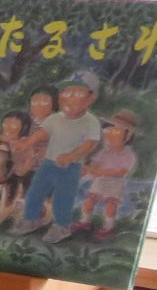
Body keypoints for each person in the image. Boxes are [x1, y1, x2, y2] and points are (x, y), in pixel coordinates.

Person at [17, 70, 101, 243]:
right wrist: (27, 143)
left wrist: (72, 156)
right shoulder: (55, 119)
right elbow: (42, 134)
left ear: (91, 97)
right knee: (35, 192)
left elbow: (89, 144)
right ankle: (30, 220)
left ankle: (61, 227)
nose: (70, 98)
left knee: (63, 198)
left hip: (70, 167)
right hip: (48, 164)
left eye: (78, 93)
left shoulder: (91, 122)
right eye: (66, 93)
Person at [77, 109, 139, 238]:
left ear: (127, 136)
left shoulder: (128, 155)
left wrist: (99, 172)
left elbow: (120, 172)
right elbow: (95, 164)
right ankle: (84, 221)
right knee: (89, 202)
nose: (110, 134)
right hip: (100, 181)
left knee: (110, 206)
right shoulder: (104, 152)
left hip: (115, 184)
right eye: (108, 130)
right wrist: (89, 169)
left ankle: (108, 226)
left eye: (116, 131)